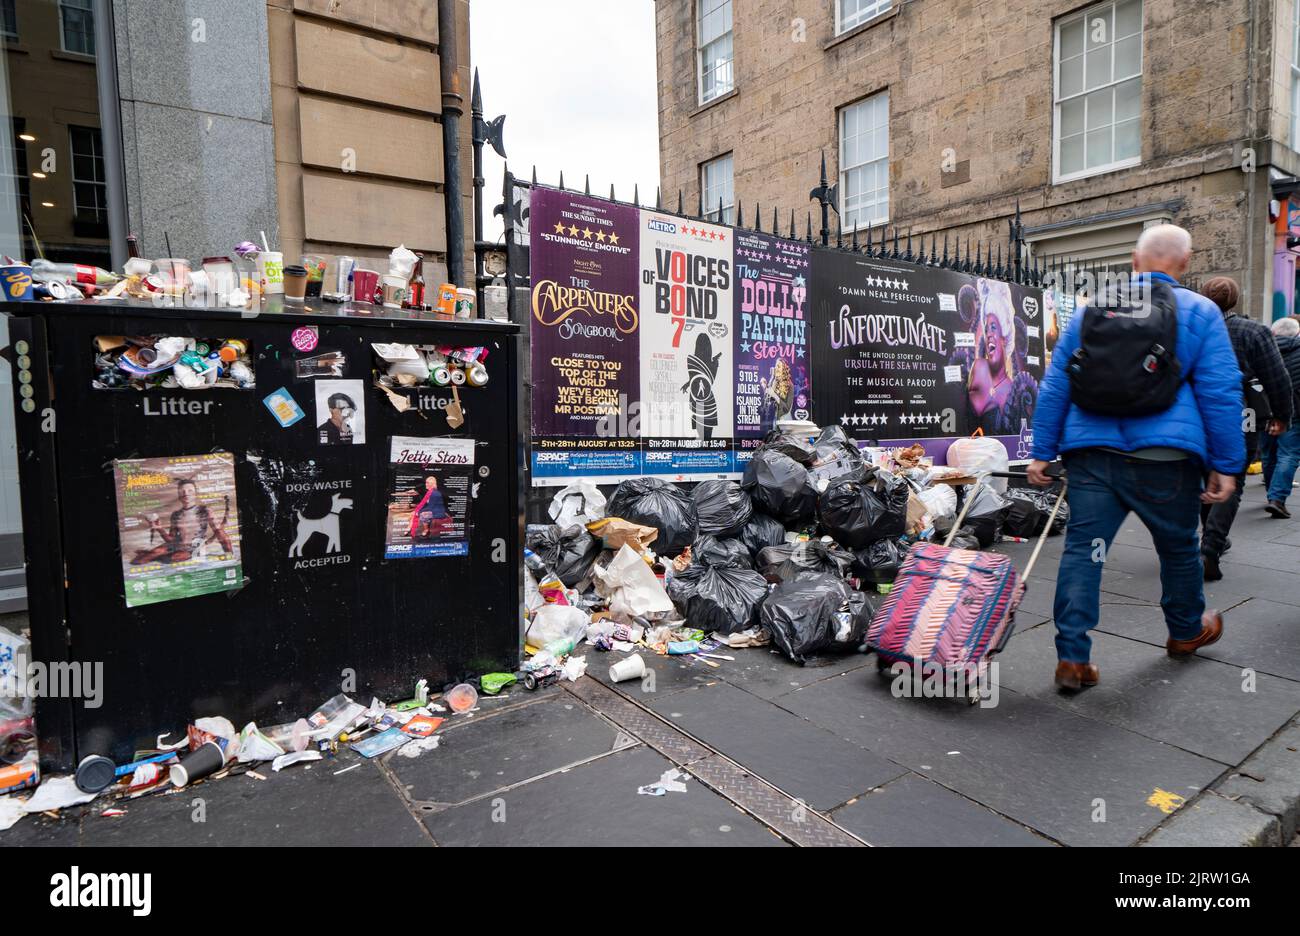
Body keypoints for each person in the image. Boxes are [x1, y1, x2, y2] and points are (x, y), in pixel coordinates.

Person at [1029, 224, 1243, 692]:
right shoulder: (1200, 311)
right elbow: (1221, 392)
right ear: (1184, 264)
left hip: (1091, 455)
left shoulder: (1090, 310)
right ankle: (1186, 631)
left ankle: (1072, 659)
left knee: (1084, 553)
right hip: (1166, 459)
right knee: (1178, 548)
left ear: (1133, 260)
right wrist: (1226, 464)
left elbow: (1056, 385)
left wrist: (1042, 452)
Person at [1197, 277, 1292, 578]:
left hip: (1198, 412)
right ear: (1235, 301)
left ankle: (1213, 539)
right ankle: (1211, 547)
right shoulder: (1253, 331)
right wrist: (1282, 416)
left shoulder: (1192, 328)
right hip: (1243, 412)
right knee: (1232, 478)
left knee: (1204, 475)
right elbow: (1277, 377)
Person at [1261, 317, 1300, 517]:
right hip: (1294, 411)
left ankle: (1272, 494)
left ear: (1274, 333)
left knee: (1268, 454)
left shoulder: (1265, 350)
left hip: (1265, 410)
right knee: (1289, 453)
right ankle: (1277, 498)